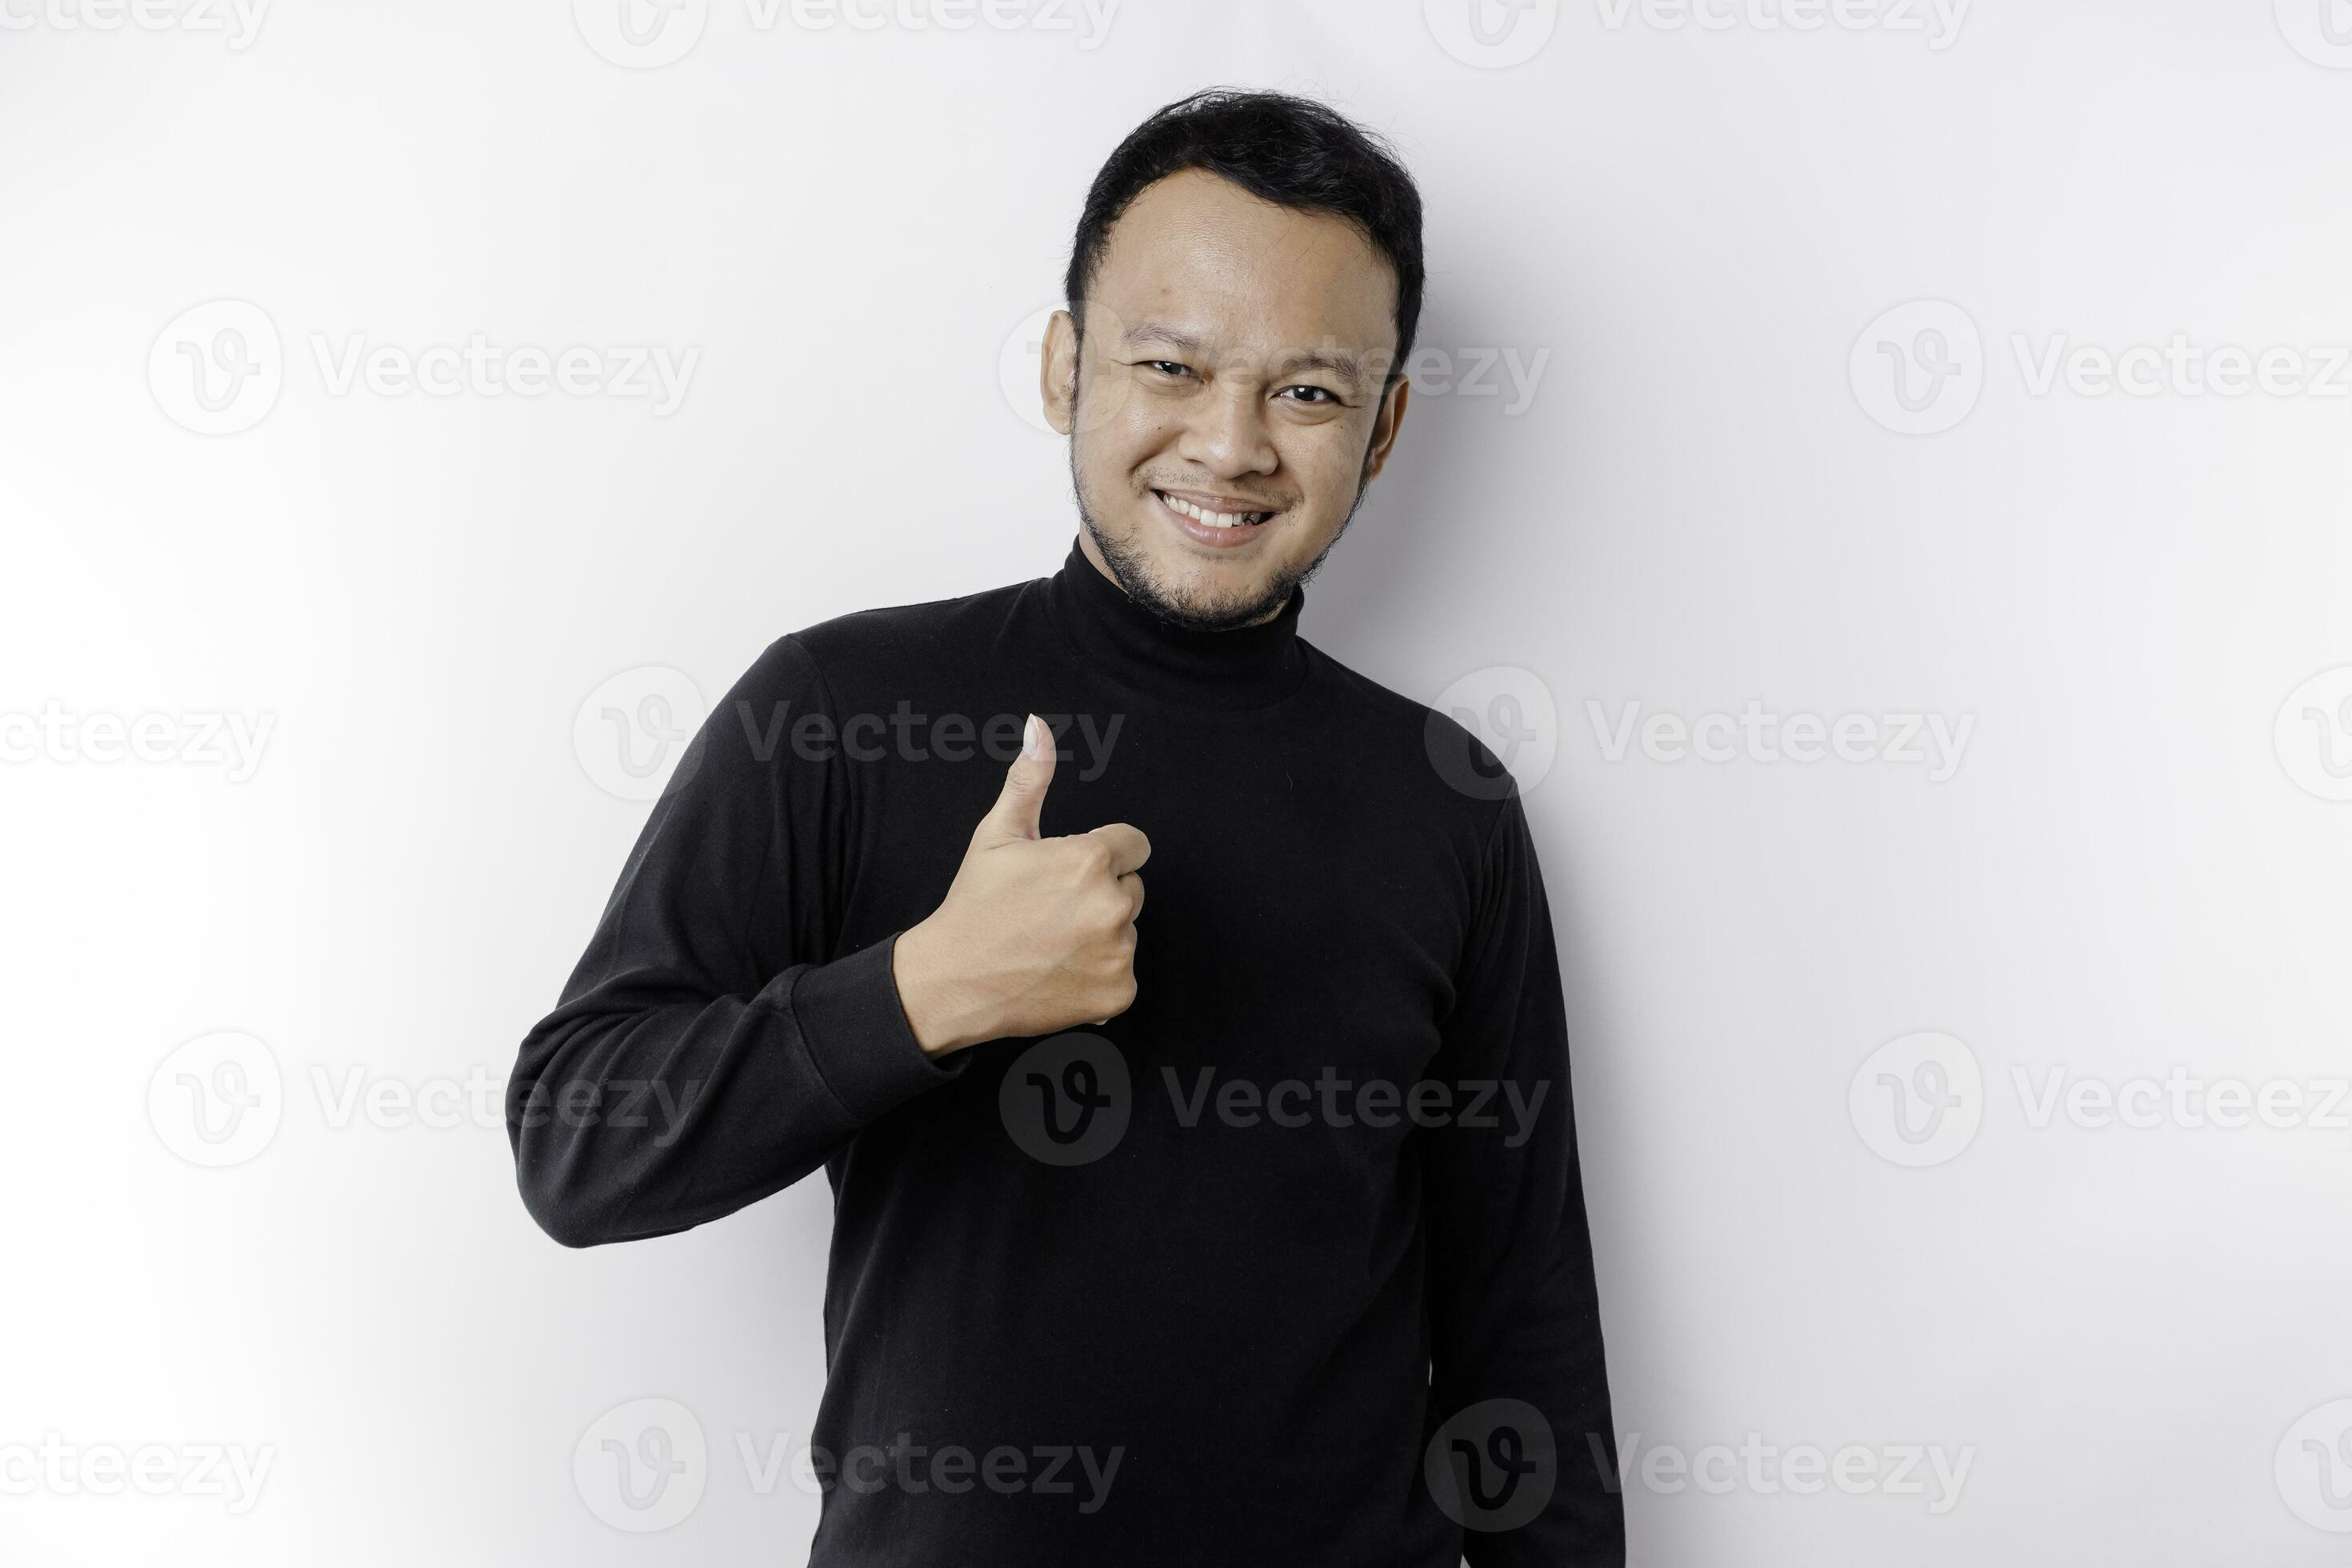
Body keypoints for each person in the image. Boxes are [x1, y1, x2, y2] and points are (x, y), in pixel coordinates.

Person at [509, 87, 1622, 1566]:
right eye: (1171, 365)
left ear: (1387, 423)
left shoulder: (1447, 799)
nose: (1229, 447)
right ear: (1064, 367)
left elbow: (1524, 1327)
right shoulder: (839, 708)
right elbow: (576, 1143)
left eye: (1308, 391)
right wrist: (929, 990)